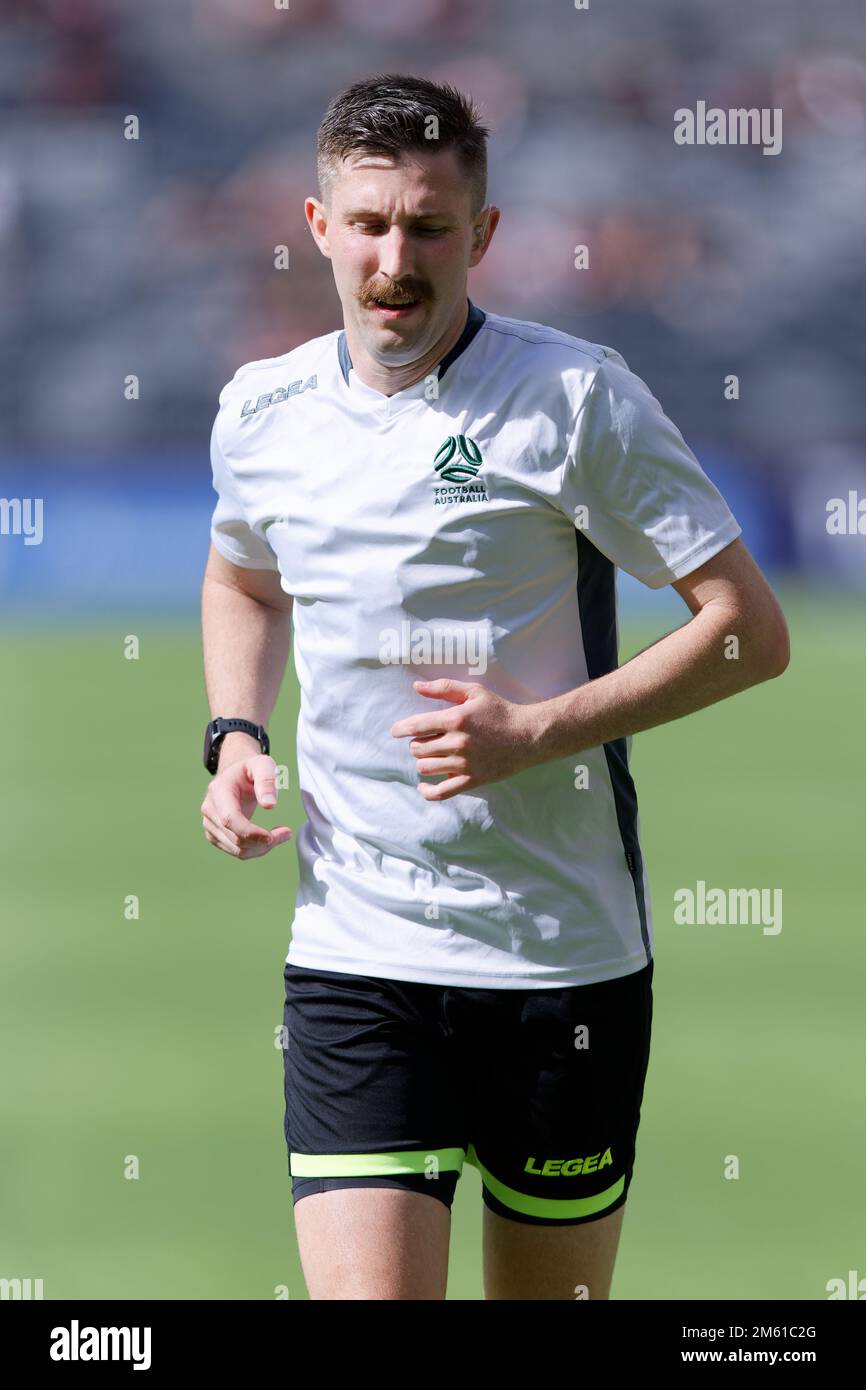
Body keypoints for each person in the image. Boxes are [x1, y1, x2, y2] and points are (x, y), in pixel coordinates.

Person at [199, 73, 789, 1300]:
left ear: (483, 234)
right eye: (367, 224)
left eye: (426, 226)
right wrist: (235, 729)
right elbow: (245, 579)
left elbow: (746, 630)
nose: (394, 257)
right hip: (355, 955)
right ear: (318, 228)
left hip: (556, 963)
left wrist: (537, 731)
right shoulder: (262, 410)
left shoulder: (575, 398)